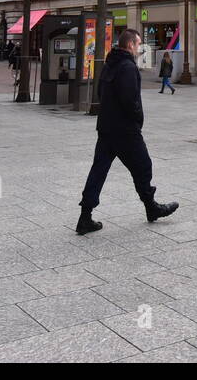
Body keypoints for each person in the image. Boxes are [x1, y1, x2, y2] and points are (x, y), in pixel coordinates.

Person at [76, 29, 178, 235]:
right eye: (138, 44)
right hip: (125, 130)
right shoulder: (128, 67)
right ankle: (151, 207)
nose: (139, 48)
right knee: (143, 166)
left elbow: (100, 93)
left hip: (106, 127)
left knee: (98, 170)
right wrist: (138, 120)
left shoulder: (109, 64)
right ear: (131, 45)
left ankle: (85, 216)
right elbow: (131, 101)